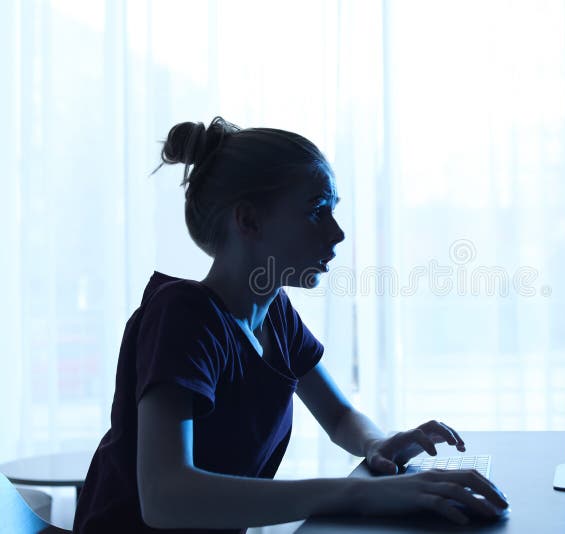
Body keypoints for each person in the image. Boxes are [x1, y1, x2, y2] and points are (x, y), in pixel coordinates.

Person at [73, 117, 508, 533]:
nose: (337, 234)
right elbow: (164, 498)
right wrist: (357, 494)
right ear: (249, 221)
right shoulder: (183, 316)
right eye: (318, 211)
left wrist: (376, 443)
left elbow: (339, 416)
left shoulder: (275, 313)